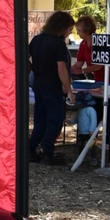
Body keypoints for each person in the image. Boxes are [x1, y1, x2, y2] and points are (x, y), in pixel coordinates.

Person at [28, 11, 76, 165]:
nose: (69, 33)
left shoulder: (37, 40)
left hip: (38, 84)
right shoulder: (58, 44)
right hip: (52, 86)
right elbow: (61, 69)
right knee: (55, 119)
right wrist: (69, 89)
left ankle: (31, 149)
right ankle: (48, 152)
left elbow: (25, 58)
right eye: (69, 29)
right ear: (62, 27)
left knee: (40, 119)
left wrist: (34, 69)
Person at [71, 15, 104, 81]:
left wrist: (82, 71)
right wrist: (69, 70)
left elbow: (99, 66)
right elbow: (79, 64)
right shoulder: (83, 44)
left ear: (87, 31)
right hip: (98, 78)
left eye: (79, 31)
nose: (77, 33)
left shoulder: (100, 42)